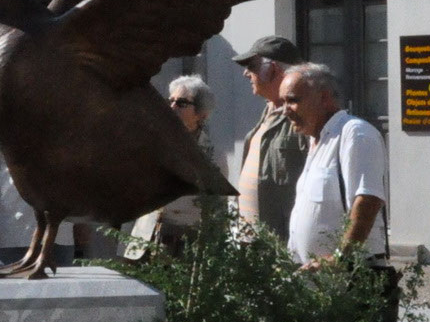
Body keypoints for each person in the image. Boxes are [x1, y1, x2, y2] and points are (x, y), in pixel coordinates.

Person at [279, 63, 388, 267]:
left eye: (292, 100)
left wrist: (340, 258)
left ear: (324, 97)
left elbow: (367, 200)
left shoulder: (354, 133)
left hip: (351, 275)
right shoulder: (317, 140)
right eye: (282, 102)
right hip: (315, 279)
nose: (285, 111)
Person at [130, 75, 225, 253]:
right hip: (145, 239)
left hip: (185, 244)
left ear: (200, 114)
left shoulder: (211, 155)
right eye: (170, 101)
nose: (172, 108)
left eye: (181, 103)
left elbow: (217, 208)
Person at [0, 121, 79, 270]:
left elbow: (75, 175)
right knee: (7, 291)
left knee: (60, 291)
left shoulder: (65, 116)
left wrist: (80, 223)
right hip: (12, 234)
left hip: (59, 234)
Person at [233, 36, 310, 237]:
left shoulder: (305, 117)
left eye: (252, 66)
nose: (246, 73)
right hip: (255, 243)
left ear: (273, 69)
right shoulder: (268, 111)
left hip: (283, 243)